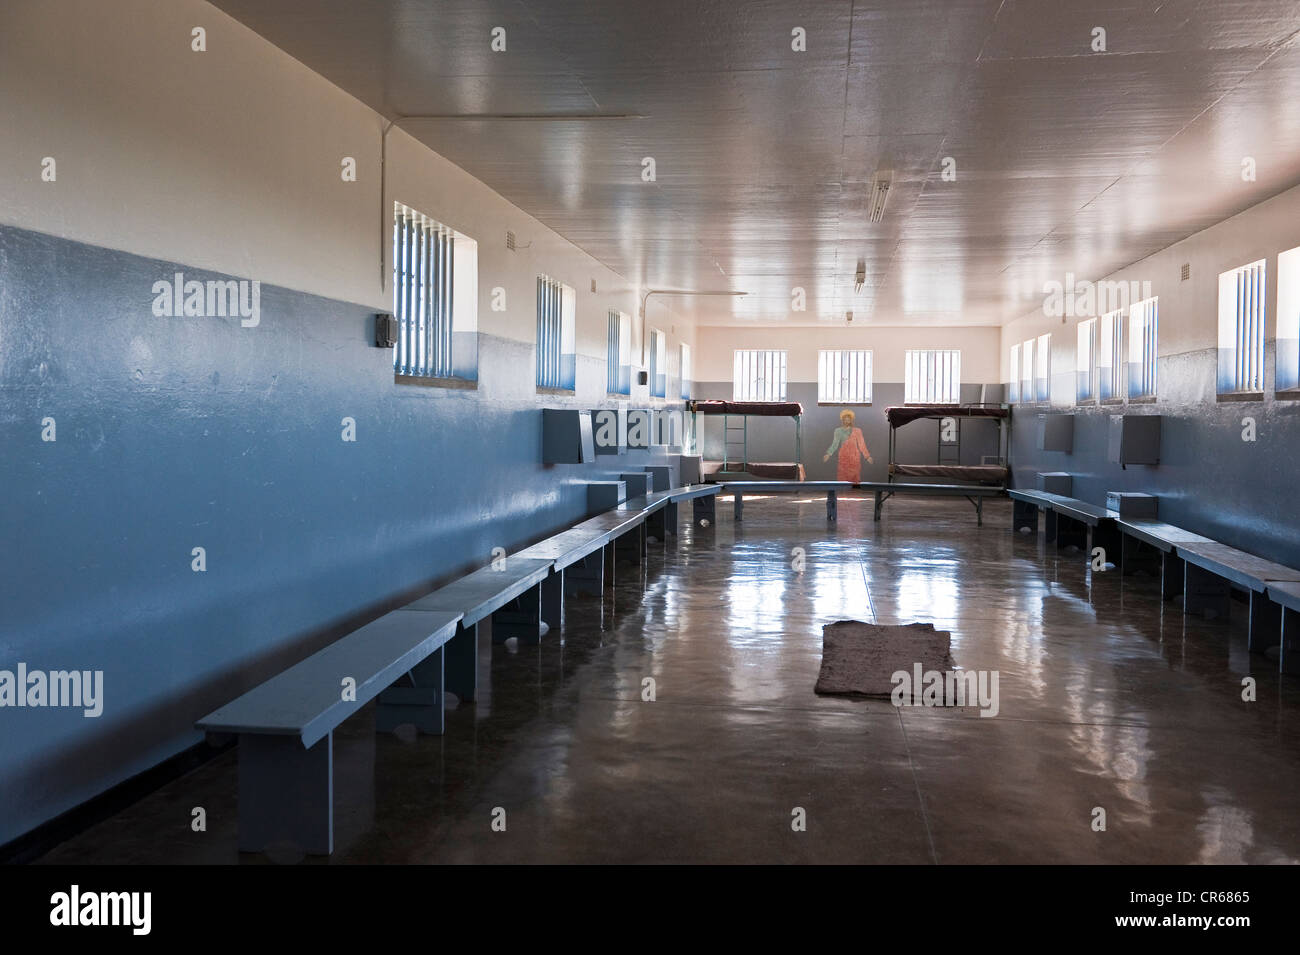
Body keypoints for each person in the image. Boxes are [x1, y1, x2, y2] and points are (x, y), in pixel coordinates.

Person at [823, 409, 872, 483]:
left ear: (851, 420)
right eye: (845, 419)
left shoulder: (857, 431)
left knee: (855, 477)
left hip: (854, 456)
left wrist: (867, 456)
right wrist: (828, 454)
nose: (846, 421)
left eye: (848, 419)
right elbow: (835, 444)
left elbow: (861, 444)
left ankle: (855, 492)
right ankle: (842, 493)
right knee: (843, 477)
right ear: (842, 420)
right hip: (844, 456)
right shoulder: (838, 431)